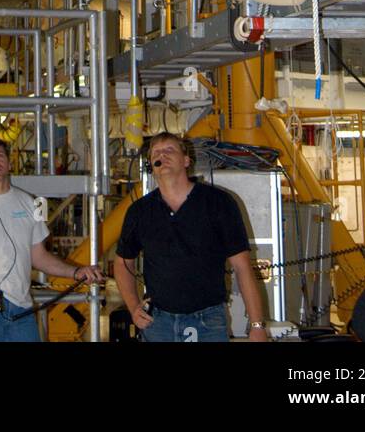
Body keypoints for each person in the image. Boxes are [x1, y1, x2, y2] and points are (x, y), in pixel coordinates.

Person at [113, 132, 270, 343]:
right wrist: (133, 307)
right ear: (151, 164)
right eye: (157, 153)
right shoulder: (140, 211)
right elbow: (123, 262)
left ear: (187, 160)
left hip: (207, 321)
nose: (163, 155)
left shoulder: (218, 203)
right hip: (157, 322)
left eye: (170, 150)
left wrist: (257, 325)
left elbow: (242, 267)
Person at [0, 138, 103, 343]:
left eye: (1, 156)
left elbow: (39, 257)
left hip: (21, 306)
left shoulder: (30, 203)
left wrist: (76, 272)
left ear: (10, 164)